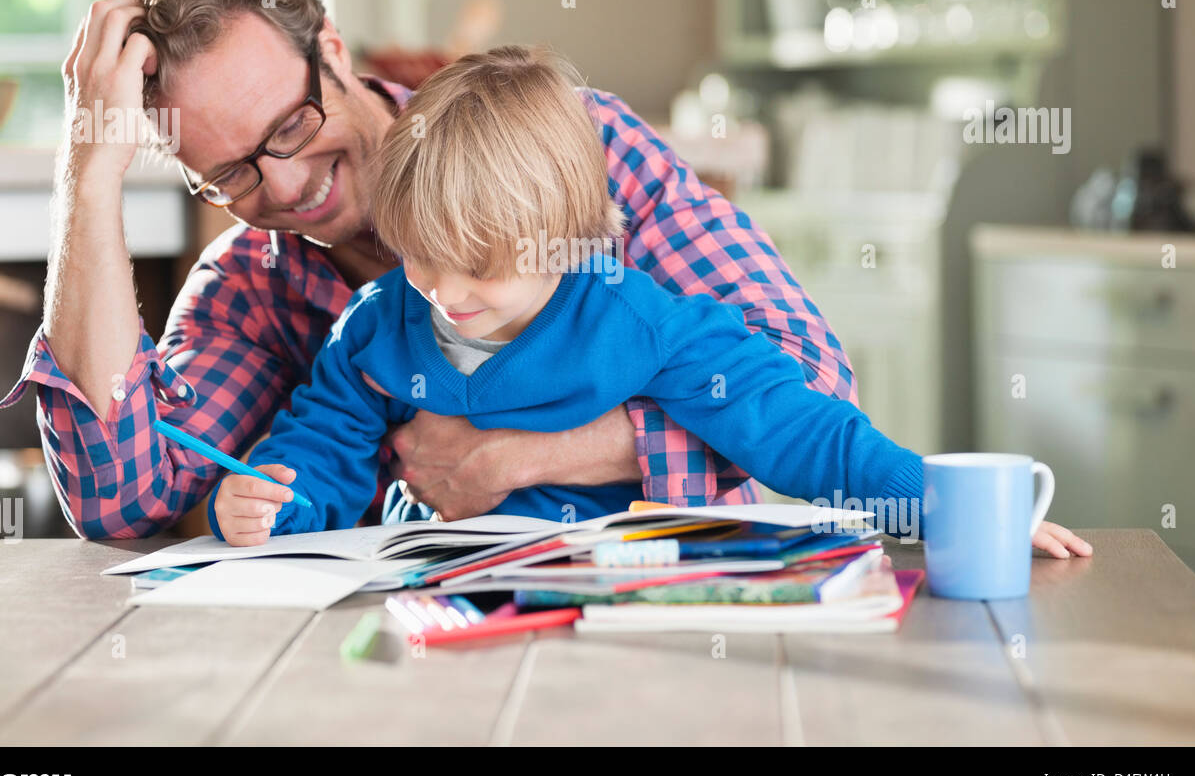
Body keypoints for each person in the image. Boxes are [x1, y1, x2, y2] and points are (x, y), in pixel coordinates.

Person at [209, 44, 1089, 564]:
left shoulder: (643, 321)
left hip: (610, 591)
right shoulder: (378, 321)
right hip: (427, 592)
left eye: (478, 264)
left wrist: (951, 507)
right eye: (421, 259)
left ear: (564, 231)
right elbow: (318, 444)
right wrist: (266, 504)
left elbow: (806, 432)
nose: (443, 293)